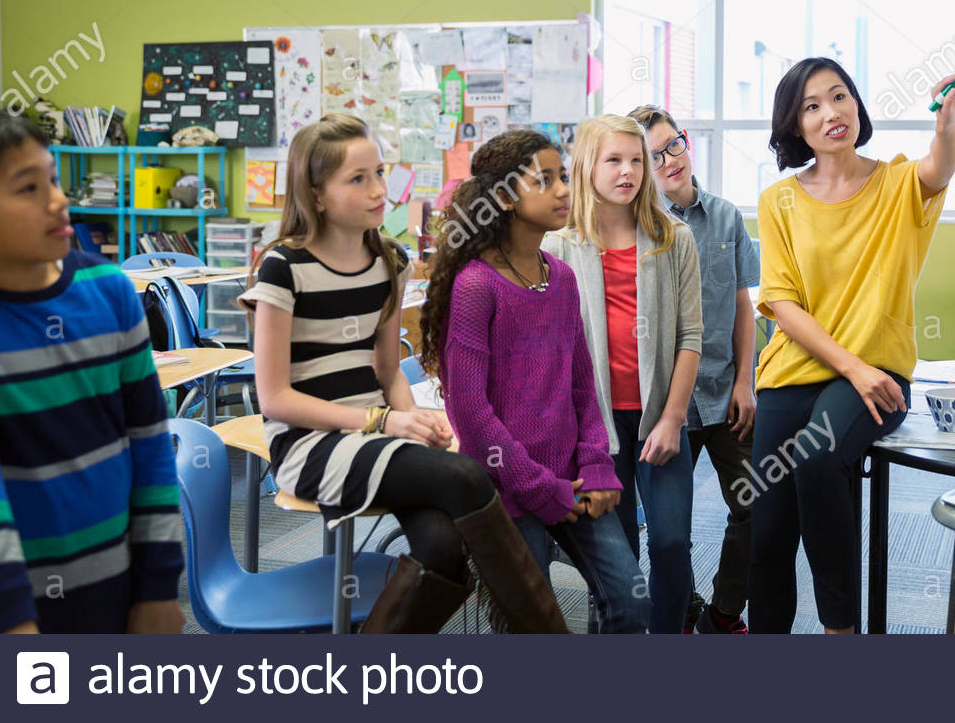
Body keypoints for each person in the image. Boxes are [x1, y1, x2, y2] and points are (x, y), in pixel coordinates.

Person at [241, 113, 566, 633]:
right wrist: (384, 421)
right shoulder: (282, 266)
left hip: (376, 436)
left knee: (443, 548)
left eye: (379, 172)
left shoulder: (389, 261)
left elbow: (390, 372)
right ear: (316, 195)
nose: (379, 190)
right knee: (467, 474)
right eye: (358, 178)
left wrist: (416, 425)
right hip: (309, 445)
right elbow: (275, 399)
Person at [751, 57, 955, 633]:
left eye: (840, 96)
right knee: (768, 528)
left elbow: (939, 167)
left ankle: (840, 632)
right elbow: (781, 302)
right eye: (812, 106)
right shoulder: (778, 201)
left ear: (857, 104)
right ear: (794, 126)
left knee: (817, 459)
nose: (832, 112)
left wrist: (947, 123)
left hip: (876, 373)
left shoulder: (896, 183)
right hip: (794, 372)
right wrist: (846, 365)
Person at [421, 129, 648, 633]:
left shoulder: (561, 278)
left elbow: (582, 386)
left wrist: (597, 463)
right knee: (530, 624)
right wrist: (539, 486)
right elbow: (471, 413)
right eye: (544, 181)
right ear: (503, 197)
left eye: (563, 177)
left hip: (575, 478)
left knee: (633, 600)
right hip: (507, 486)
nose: (564, 190)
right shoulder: (477, 286)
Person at [0, 110, 184, 634]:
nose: (57, 200)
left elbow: (151, 443)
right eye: (27, 189)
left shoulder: (109, 290)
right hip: (5, 603)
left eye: (52, 179)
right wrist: (11, 622)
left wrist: (159, 585)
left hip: (116, 584)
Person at [544, 113, 701, 634]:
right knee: (623, 560)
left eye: (638, 160)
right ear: (587, 165)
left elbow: (690, 336)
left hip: (661, 418)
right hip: (594, 430)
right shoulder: (557, 247)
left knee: (672, 542)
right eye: (614, 159)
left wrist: (674, 418)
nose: (629, 171)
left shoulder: (673, 238)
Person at [629, 105, 758, 635]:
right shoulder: (638, 228)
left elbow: (744, 306)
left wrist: (746, 381)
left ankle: (723, 614)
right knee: (669, 531)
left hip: (726, 391)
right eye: (653, 157)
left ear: (687, 142)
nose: (669, 162)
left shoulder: (726, 217)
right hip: (666, 404)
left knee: (758, 504)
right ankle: (679, 612)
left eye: (673, 146)